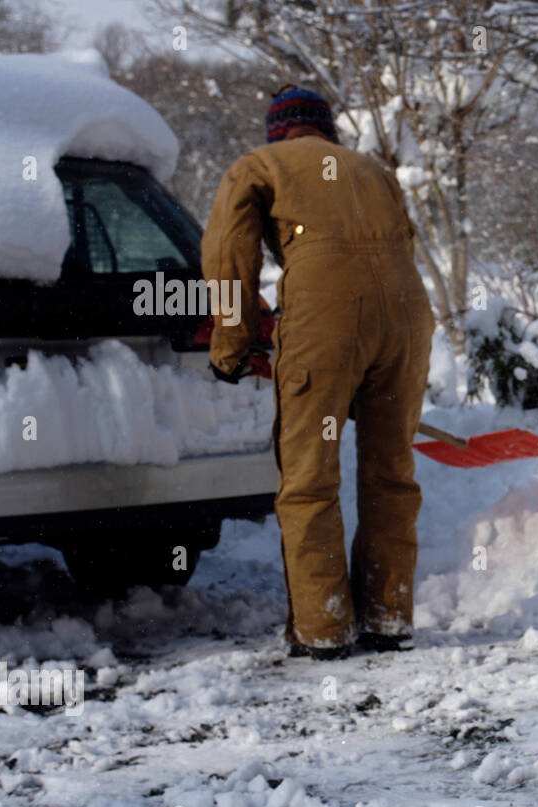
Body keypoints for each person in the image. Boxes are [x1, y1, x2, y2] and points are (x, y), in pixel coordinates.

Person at [202, 85, 434, 660]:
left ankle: (324, 629)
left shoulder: (259, 164)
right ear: (327, 130)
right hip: (408, 316)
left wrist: (231, 346)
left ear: (277, 130)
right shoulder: (373, 169)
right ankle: (388, 616)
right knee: (391, 474)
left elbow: (231, 254)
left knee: (308, 478)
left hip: (326, 317)